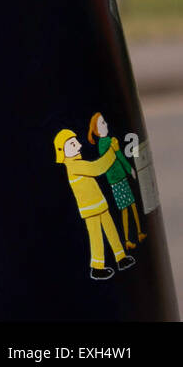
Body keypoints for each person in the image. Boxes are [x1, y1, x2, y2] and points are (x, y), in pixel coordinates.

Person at [54, 130, 134, 280]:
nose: (78, 145)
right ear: (62, 151)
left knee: (111, 230)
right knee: (96, 237)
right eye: (72, 144)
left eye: (76, 141)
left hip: (99, 204)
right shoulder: (74, 166)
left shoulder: (76, 162)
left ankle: (121, 258)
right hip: (90, 209)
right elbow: (97, 168)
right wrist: (111, 152)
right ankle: (97, 268)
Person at [89, 112, 146, 249]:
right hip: (115, 182)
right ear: (97, 130)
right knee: (125, 209)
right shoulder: (104, 144)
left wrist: (129, 169)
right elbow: (109, 159)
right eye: (102, 123)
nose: (106, 124)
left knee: (132, 205)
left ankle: (139, 233)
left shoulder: (110, 141)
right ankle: (126, 240)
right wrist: (116, 151)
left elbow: (119, 156)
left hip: (121, 178)